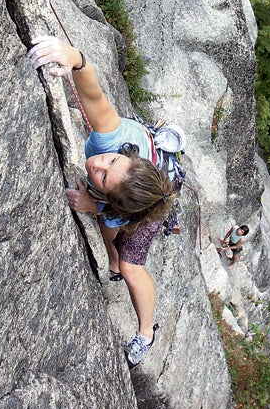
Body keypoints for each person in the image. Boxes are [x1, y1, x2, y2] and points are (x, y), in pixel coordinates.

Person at [27, 34, 174, 367]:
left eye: (103, 176)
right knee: (110, 237)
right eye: (112, 162)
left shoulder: (128, 208)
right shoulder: (114, 140)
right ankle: (110, 260)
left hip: (143, 209)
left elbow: (113, 212)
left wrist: (94, 204)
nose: (98, 163)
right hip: (133, 189)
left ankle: (147, 334)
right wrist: (74, 56)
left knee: (130, 265)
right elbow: (92, 91)